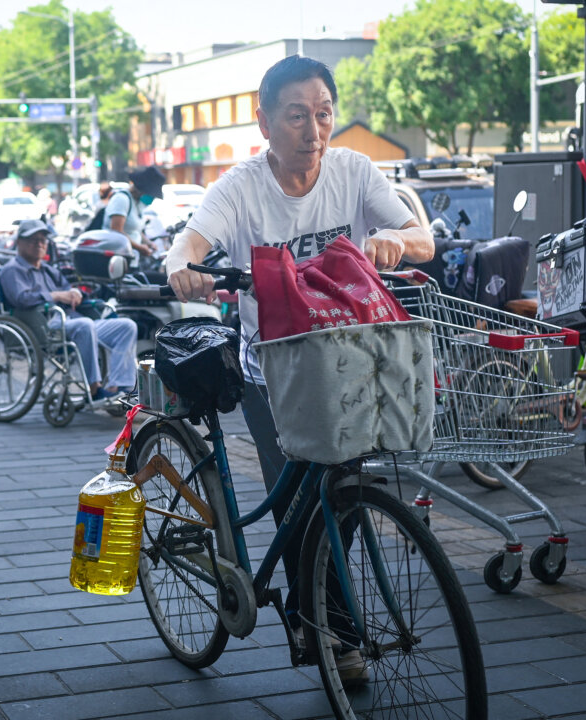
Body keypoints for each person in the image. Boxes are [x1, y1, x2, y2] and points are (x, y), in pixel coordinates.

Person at [165, 55, 434, 684]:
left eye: (324, 113)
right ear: (264, 121)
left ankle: (325, 618)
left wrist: (397, 240)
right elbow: (190, 241)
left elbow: (422, 238)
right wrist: (184, 266)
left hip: (351, 361)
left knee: (340, 494)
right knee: (304, 508)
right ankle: (330, 636)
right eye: (296, 115)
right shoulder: (240, 188)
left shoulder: (354, 171)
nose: (313, 129)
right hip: (276, 370)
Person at [1, 218, 137, 401]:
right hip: (45, 326)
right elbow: (21, 299)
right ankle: (94, 389)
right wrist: (56, 296)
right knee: (85, 324)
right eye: (33, 240)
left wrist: (74, 292)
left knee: (126, 326)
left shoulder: (48, 270)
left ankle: (118, 387)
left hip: (72, 321)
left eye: (43, 240)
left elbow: (67, 289)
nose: (39, 244)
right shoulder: (12, 270)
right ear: (19, 242)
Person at [103, 166, 162, 261]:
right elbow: (117, 231)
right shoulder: (121, 199)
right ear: (141, 190)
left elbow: (135, 230)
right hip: (117, 259)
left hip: (131, 258)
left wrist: (148, 243)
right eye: (151, 195)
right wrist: (139, 247)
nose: (152, 198)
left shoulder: (137, 203)